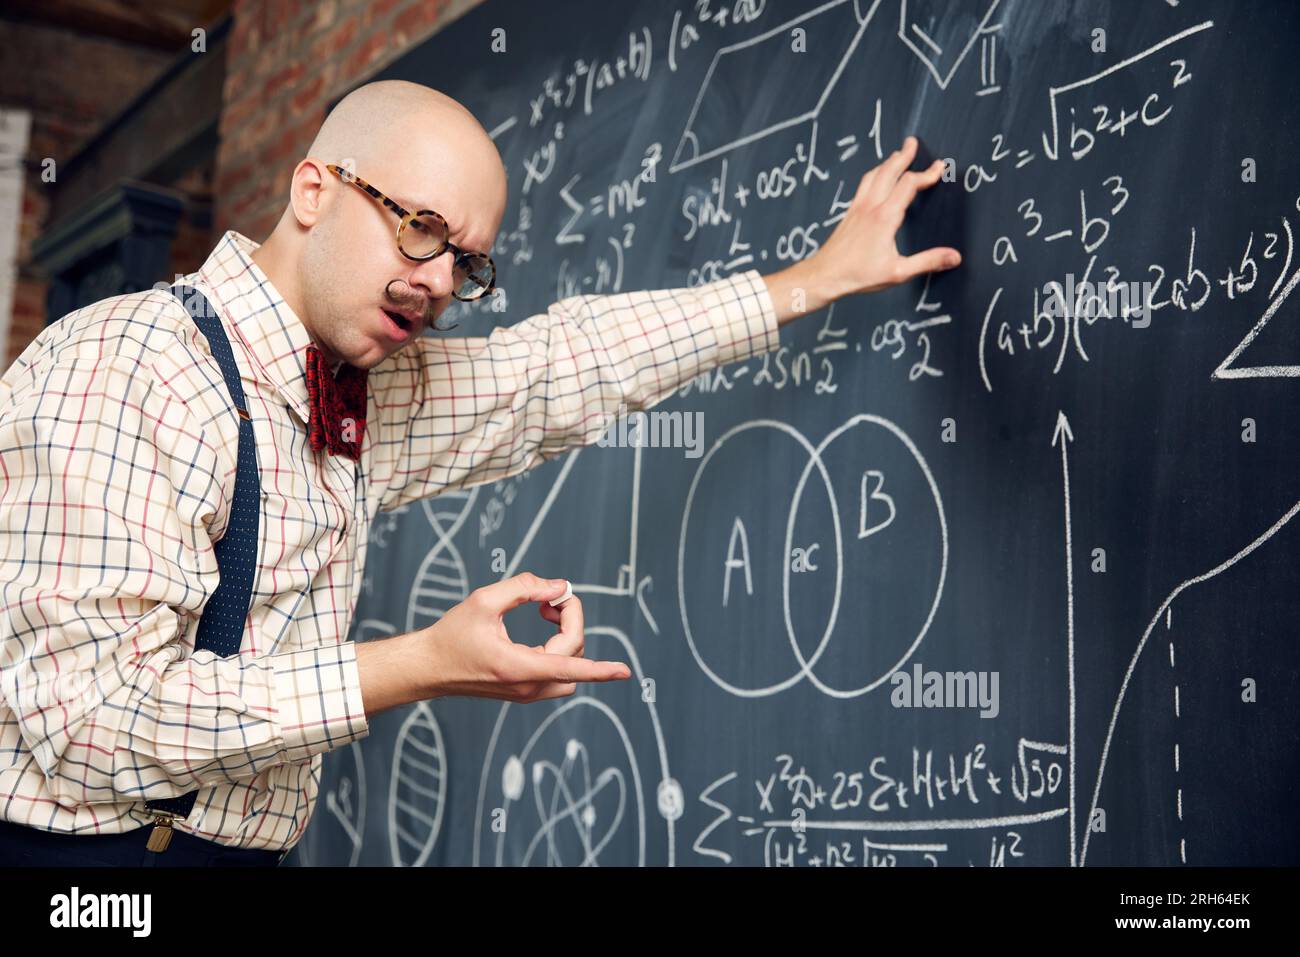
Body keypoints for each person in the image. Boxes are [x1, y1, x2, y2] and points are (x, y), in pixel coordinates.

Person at [0, 79, 960, 866]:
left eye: (468, 261)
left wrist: (814, 281)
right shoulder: (131, 365)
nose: (440, 282)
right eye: (419, 227)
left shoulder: (355, 384)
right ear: (311, 191)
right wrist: (421, 662)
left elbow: (558, 369)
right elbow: (88, 722)